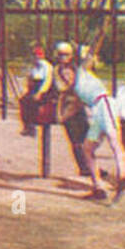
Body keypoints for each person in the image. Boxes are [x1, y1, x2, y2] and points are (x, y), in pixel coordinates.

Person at [73, 56, 125, 202]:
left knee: (114, 141)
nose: (66, 75)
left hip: (105, 104)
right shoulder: (72, 87)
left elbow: (90, 54)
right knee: (87, 148)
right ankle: (98, 186)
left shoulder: (82, 73)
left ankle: (123, 176)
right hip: (96, 111)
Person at [52, 42, 94, 176]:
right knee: (75, 140)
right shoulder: (56, 70)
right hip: (67, 107)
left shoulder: (76, 68)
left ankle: (91, 165)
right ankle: (83, 167)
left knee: (87, 138)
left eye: (66, 55)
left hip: (78, 105)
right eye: (61, 55)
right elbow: (61, 88)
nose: (63, 57)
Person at [19, 42, 54, 136]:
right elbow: (29, 79)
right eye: (35, 54)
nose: (37, 57)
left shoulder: (47, 66)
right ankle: (27, 125)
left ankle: (32, 125)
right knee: (23, 100)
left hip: (44, 90)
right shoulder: (34, 66)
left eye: (39, 54)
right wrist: (25, 90)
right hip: (34, 87)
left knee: (32, 101)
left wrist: (40, 92)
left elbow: (47, 81)